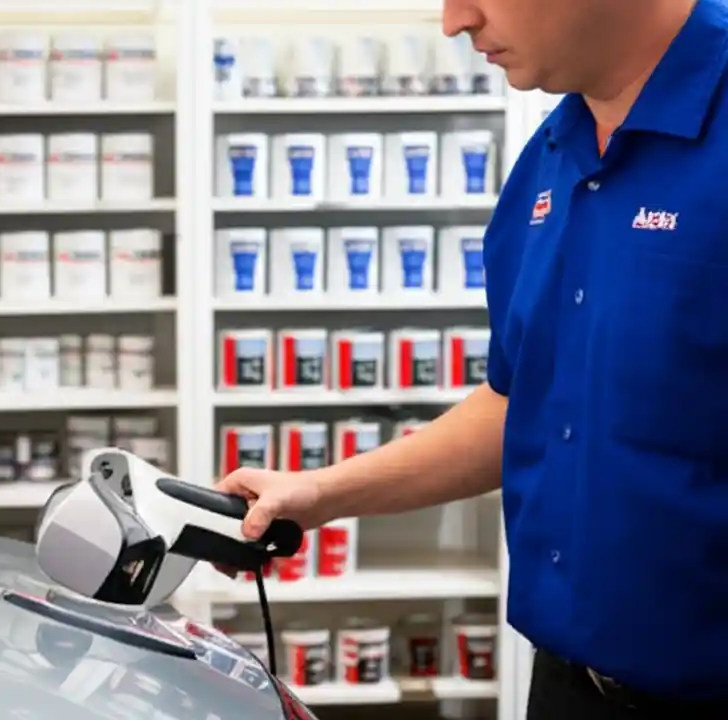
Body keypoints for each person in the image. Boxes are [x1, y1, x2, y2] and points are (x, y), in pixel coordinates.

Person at [214, 0, 728, 717]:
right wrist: (321, 494)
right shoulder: (553, 152)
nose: (455, 20)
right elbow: (524, 399)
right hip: (572, 685)